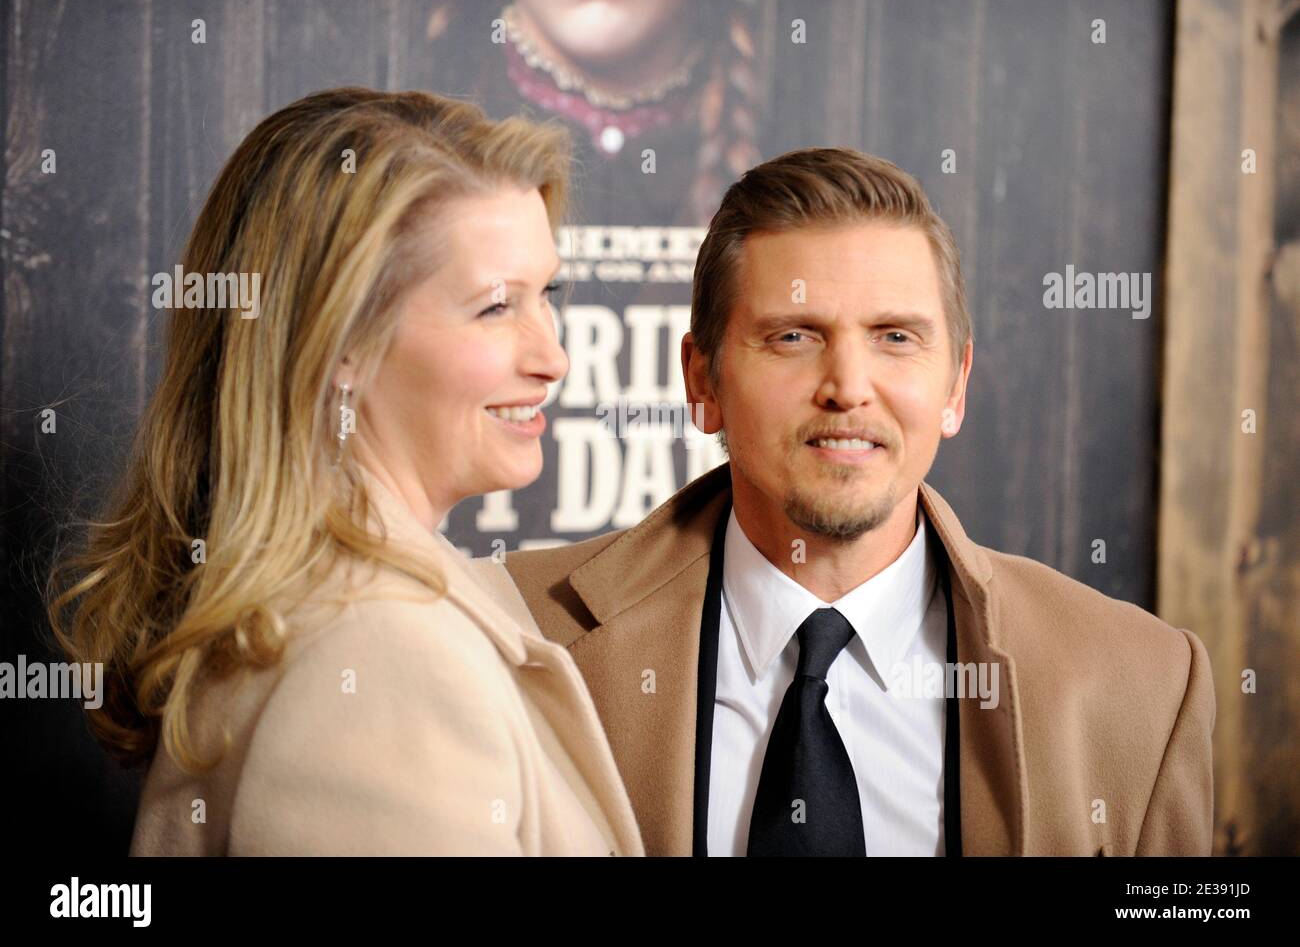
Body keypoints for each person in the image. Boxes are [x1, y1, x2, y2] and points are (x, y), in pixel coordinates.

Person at [499, 147, 1215, 856]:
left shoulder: (1143, 686)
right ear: (702, 380)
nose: (847, 385)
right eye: (794, 336)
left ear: (955, 385)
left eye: (895, 337)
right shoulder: (509, 637)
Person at [47, 86, 643, 856]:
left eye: (547, 295)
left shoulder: (347, 610)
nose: (552, 356)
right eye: (496, 307)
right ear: (341, 345)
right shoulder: (385, 658)